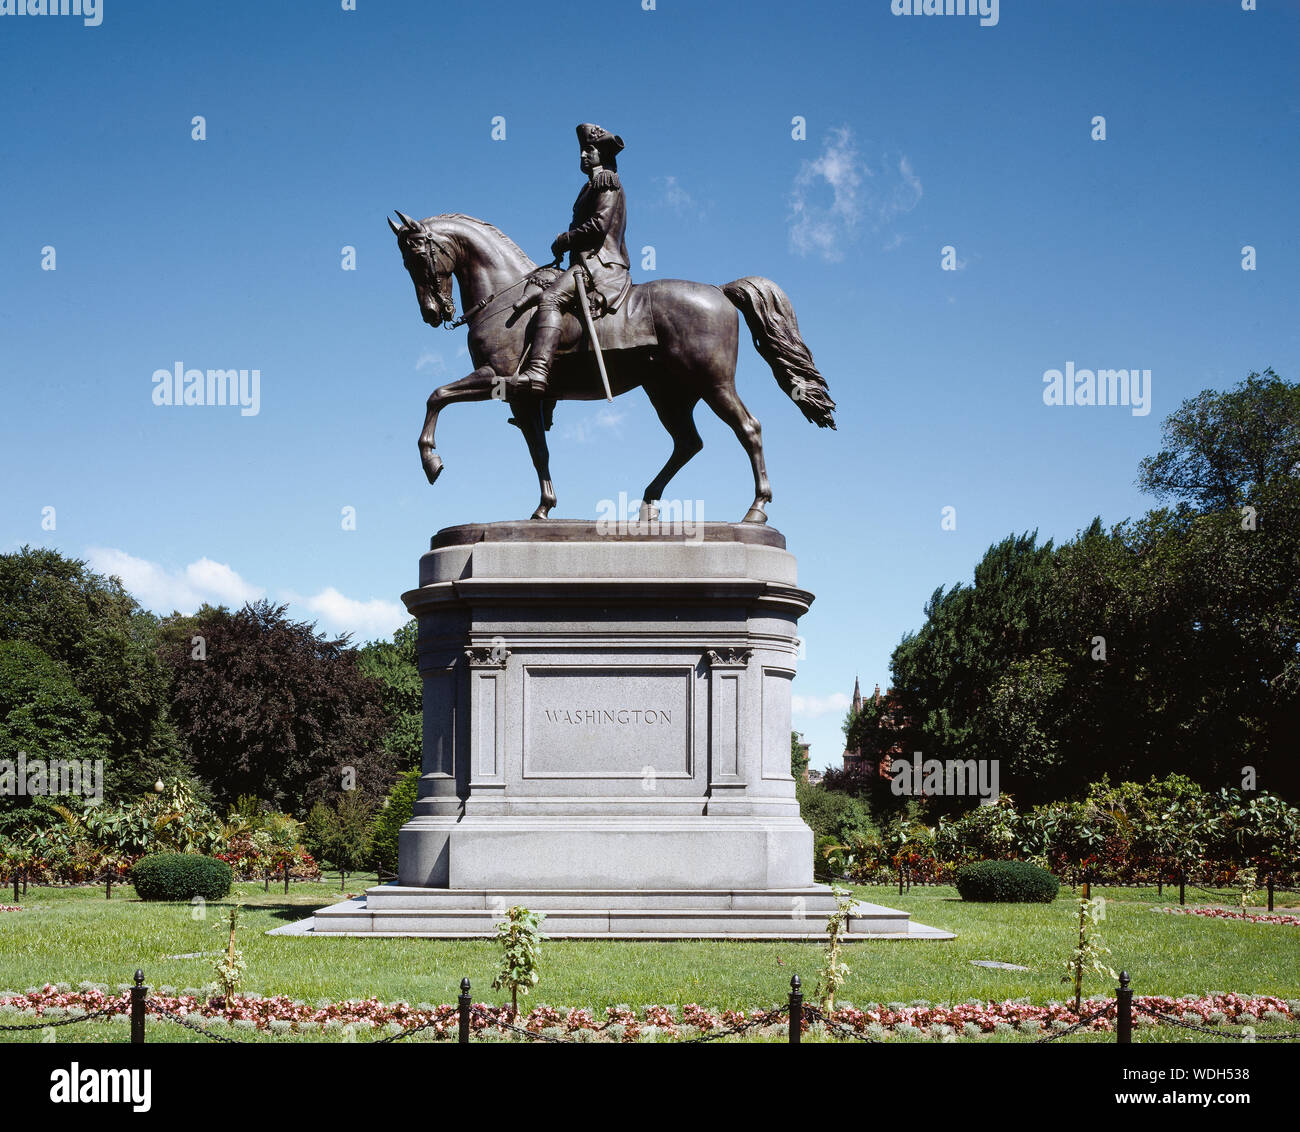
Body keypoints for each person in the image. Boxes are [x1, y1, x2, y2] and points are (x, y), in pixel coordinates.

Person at [514, 123, 630, 395]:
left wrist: (565, 239)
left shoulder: (606, 181)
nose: (582, 156)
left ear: (602, 153)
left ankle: (538, 372)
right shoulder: (588, 187)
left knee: (551, 298)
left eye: (589, 150)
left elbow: (599, 226)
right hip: (583, 263)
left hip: (600, 264)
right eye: (581, 151)